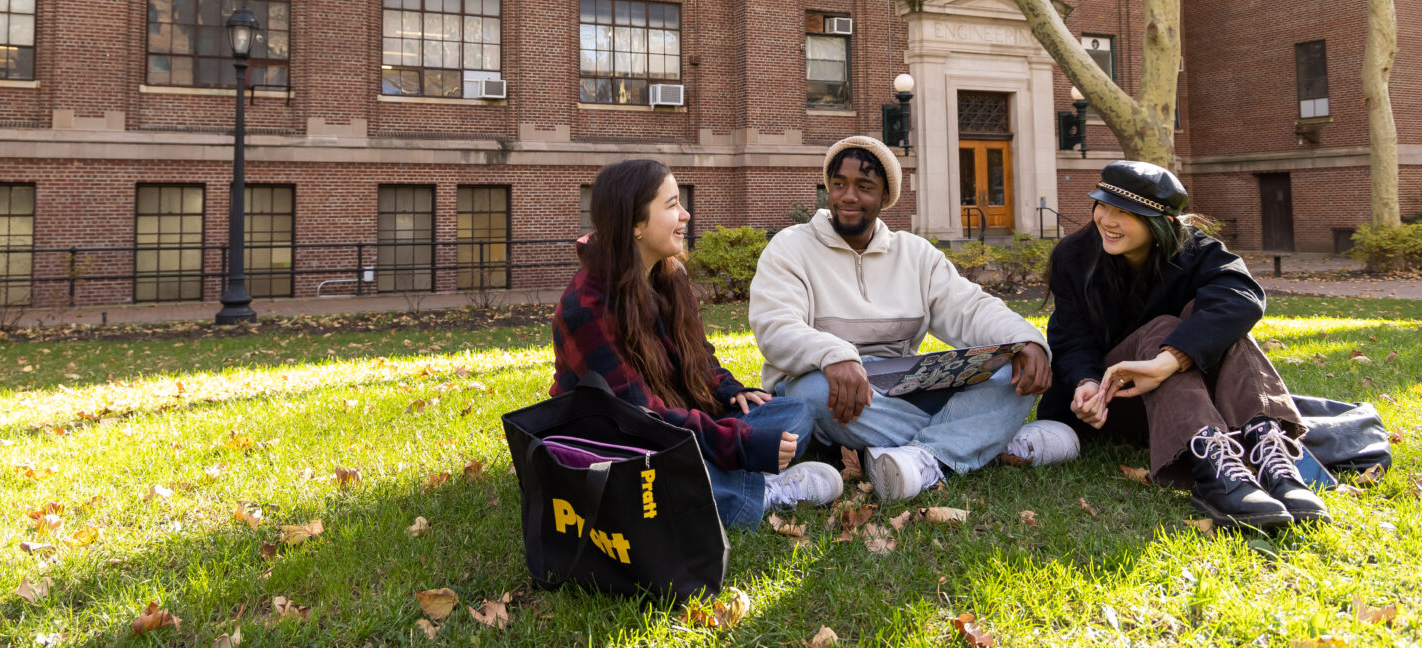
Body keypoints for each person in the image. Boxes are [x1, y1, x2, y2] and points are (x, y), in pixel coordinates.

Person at [749, 136, 1066, 503]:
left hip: (906, 387)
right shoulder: (790, 247)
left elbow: (969, 307)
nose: (847, 196)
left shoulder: (915, 254)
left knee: (1010, 369)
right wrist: (833, 354)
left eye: (864, 186)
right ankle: (985, 440)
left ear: (886, 197)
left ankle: (923, 455)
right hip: (835, 392)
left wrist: (1023, 339)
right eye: (839, 185)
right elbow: (775, 326)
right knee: (810, 394)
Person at [551, 159, 844, 528]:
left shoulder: (670, 274)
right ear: (636, 224)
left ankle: (731, 476)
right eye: (672, 205)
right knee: (659, 476)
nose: (685, 215)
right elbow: (640, 419)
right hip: (621, 447)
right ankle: (757, 493)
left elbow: (699, 357)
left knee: (794, 414)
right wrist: (739, 442)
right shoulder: (586, 306)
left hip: (681, 421)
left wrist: (727, 389)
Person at [1037, 160, 1329, 530]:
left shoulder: (1197, 251)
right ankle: (1214, 468)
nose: (1107, 220)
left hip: (1179, 395)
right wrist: (1086, 382)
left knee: (1220, 317)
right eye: (1103, 204)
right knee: (1163, 325)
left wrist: (1168, 361)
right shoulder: (1074, 255)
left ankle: (1270, 453)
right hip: (1116, 402)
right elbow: (1070, 336)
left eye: (1126, 213)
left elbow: (1243, 295)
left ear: (1165, 224)